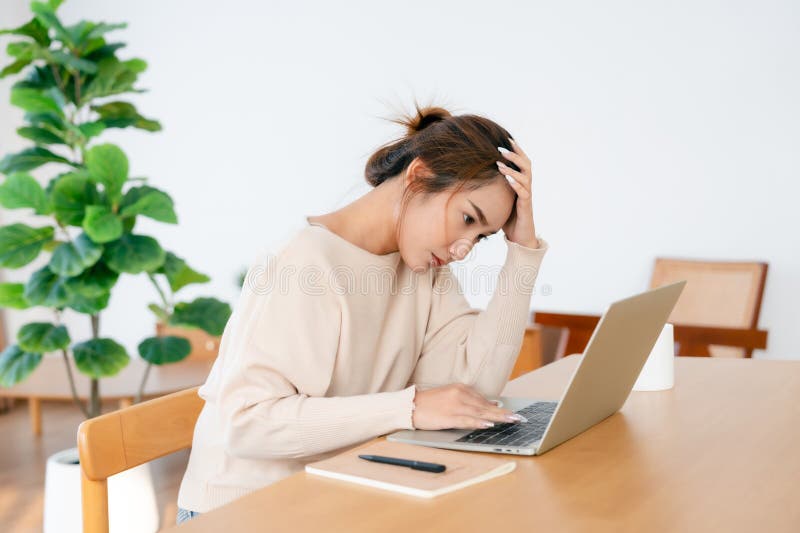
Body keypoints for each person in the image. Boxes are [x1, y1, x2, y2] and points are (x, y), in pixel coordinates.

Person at [175, 101, 548, 523]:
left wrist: (523, 252)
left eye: (481, 238)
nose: (463, 249)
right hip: (244, 511)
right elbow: (247, 424)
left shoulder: (424, 267)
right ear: (419, 175)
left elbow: (473, 392)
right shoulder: (304, 264)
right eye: (467, 218)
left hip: (337, 501)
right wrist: (407, 408)